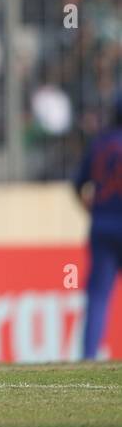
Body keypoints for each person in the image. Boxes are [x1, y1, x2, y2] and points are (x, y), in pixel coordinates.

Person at [74, 95, 122, 359]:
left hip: (102, 226)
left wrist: (93, 210)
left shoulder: (101, 144)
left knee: (98, 296)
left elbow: (78, 185)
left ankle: (89, 356)